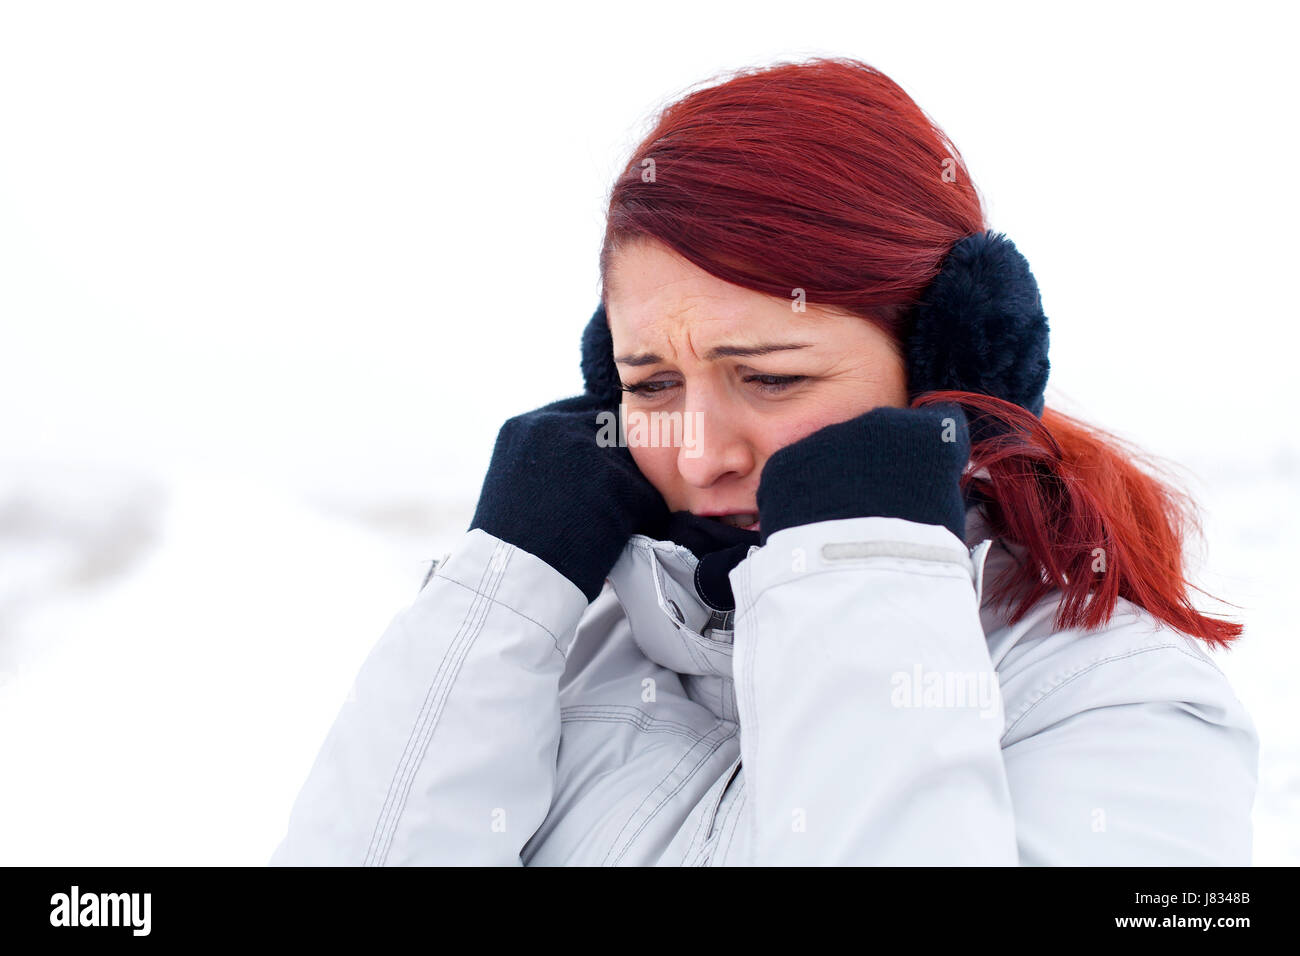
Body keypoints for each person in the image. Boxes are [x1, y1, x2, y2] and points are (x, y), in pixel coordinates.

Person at [269, 57, 1258, 866]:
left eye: (772, 377)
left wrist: (857, 564)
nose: (699, 453)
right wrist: (502, 593)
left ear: (948, 367)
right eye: (651, 384)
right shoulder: (559, 658)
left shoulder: (1124, 710)